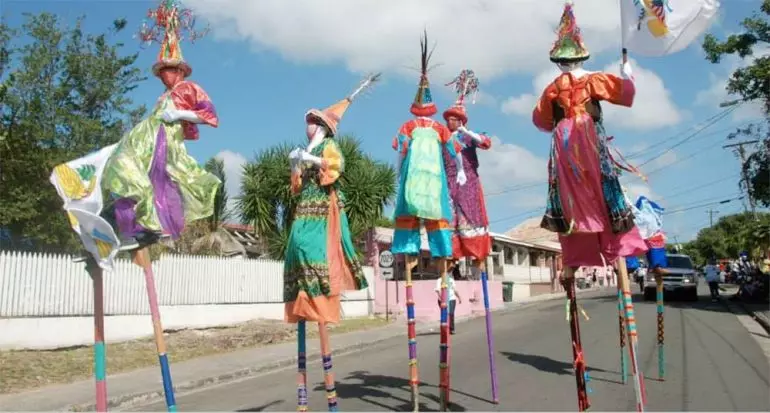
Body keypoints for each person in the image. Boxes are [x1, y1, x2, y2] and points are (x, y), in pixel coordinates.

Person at [442, 69, 493, 262]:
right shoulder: (444, 140)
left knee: (471, 217)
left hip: (468, 183)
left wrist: (467, 131)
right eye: (448, 118)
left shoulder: (467, 136)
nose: (449, 121)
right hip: (449, 184)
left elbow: (486, 143)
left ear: (460, 120)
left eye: (453, 118)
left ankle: (476, 254)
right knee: (450, 220)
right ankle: (451, 258)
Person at [435, 261, 463, 334]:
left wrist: (459, 297)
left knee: (451, 313)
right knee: (444, 313)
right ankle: (444, 328)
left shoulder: (451, 280)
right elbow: (438, 291)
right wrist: (441, 298)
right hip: (442, 299)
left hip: (451, 299)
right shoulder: (439, 280)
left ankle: (451, 328)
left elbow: (455, 290)